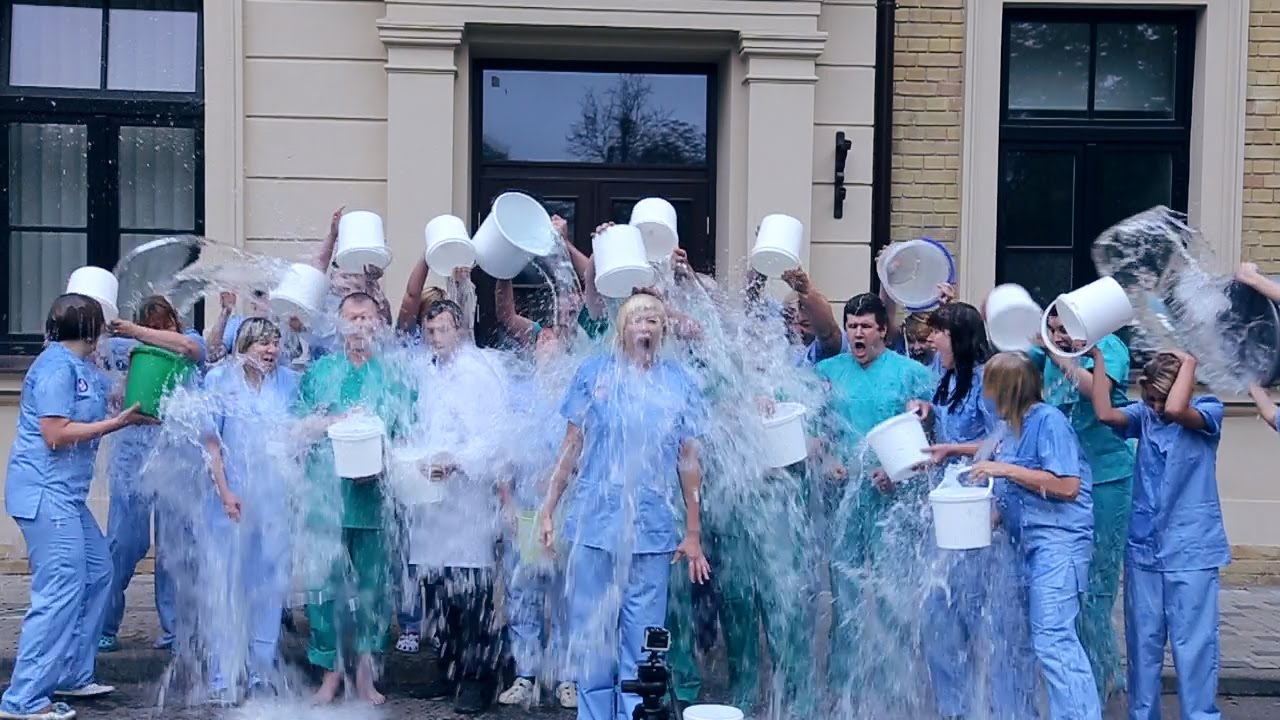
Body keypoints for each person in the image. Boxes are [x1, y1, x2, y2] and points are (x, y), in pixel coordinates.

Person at [539, 291, 711, 720]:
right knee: (593, 636)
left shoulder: (679, 382)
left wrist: (693, 533)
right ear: (621, 328)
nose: (645, 326)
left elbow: (688, 461)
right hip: (594, 528)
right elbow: (571, 445)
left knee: (643, 643)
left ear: (663, 329)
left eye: (653, 319)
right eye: (637, 318)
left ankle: (637, 715)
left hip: (651, 533)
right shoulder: (594, 373)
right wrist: (546, 508)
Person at [2, 294, 149, 720]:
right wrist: (116, 425)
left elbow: (116, 397)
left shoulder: (83, 367)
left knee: (99, 571)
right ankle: (24, 698)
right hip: (45, 493)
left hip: (65, 496)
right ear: (91, 329)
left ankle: (69, 672)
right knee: (60, 588)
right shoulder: (53, 368)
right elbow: (55, 433)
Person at [1089, 349, 1228, 720]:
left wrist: (1191, 362)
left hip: (1192, 551)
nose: (1155, 408)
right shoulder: (1143, 417)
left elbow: (1178, 409)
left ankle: (1201, 715)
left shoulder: (1208, 410)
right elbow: (1104, 413)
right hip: (1145, 550)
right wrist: (1098, 356)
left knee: (1194, 646)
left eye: (1160, 399)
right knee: (1143, 646)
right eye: (1150, 398)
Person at [814, 292, 935, 713]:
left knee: (892, 598)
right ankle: (843, 694)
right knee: (843, 597)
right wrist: (826, 459)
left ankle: (893, 693)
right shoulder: (826, 372)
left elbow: (932, 439)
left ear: (883, 329)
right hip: (842, 499)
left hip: (893, 503)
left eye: (866, 325)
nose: (857, 332)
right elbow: (814, 430)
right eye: (852, 325)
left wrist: (899, 469)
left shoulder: (912, 374)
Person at [296, 292, 413, 705]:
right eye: (351, 315)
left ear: (378, 323)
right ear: (339, 321)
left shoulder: (395, 377)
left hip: (374, 500)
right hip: (327, 497)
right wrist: (333, 421)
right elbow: (297, 427)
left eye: (366, 316)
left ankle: (365, 673)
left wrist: (387, 459)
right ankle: (329, 674)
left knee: (373, 589)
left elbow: (407, 438)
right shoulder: (320, 372)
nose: (359, 323)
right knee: (323, 589)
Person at [971, 351, 1100, 720]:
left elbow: (1068, 485)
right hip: (1027, 546)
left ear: (1008, 390)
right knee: (1021, 641)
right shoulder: (1012, 428)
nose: (986, 395)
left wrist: (1005, 469)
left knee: (1054, 639)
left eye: (991, 387)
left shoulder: (1049, 422)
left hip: (1058, 546)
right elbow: (1012, 496)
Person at [407, 300, 508, 715]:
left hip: (468, 503)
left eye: (443, 330)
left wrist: (458, 461)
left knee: (472, 598)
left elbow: (496, 435)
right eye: (430, 331)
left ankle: (478, 678)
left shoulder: (480, 373)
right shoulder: (423, 372)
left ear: (460, 329)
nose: (436, 338)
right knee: (438, 592)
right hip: (430, 504)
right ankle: (447, 669)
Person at [1030, 307, 1136, 702]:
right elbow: (1008, 344)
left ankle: (1102, 685)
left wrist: (1060, 354)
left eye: (1063, 329)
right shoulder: (1046, 353)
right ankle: (1075, 686)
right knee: (1068, 588)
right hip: (1064, 480)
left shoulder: (1111, 347)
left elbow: (1097, 392)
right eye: (1051, 329)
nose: (1056, 336)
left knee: (1098, 586)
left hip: (1107, 477)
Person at [98, 296, 207, 653]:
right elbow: (107, 380)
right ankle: (104, 625)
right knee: (122, 543)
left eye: (165, 325)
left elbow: (189, 347)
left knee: (175, 545)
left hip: (177, 452)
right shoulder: (129, 349)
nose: (162, 332)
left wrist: (137, 333)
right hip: (132, 450)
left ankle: (177, 629)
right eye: (153, 326)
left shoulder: (191, 341)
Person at [200, 318, 300, 704]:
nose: (271, 351)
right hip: (231, 502)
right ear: (243, 346)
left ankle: (261, 672)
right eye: (263, 344)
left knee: (268, 588)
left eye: (275, 344)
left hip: (274, 502)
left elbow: (296, 436)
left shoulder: (288, 382)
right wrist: (225, 492)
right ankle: (222, 676)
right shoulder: (219, 382)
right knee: (228, 587)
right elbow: (211, 444)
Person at [497, 327, 577, 710]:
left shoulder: (576, 395)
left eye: (554, 341)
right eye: (542, 341)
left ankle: (566, 677)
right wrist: (508, 502)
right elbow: (504, 455)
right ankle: (525, 674)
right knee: (525, 592)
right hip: (529, 510)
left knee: (565, 595)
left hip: (565, 510)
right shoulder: (518, 394)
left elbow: (588, 450)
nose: (547, 347)